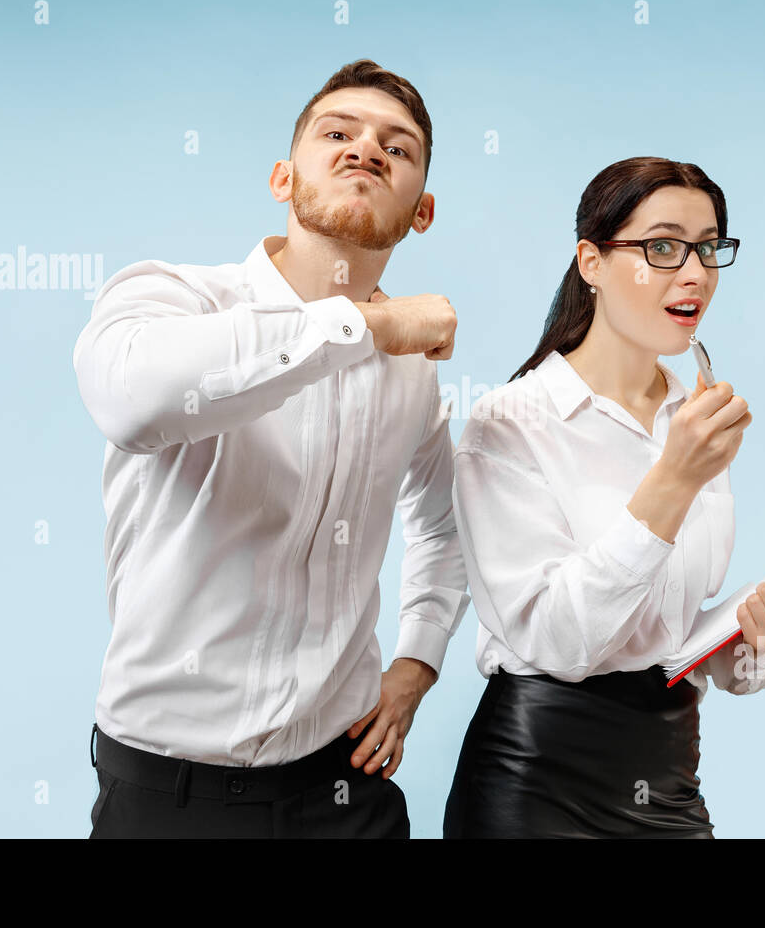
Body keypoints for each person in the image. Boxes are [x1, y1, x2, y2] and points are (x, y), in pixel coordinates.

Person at [73, 59, 470, 838]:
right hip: (168, 800)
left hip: (343, 793)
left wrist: (417, 663)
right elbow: (130, 402)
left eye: (398, 147)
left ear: (421, 211)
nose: (367, 149)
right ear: (282, 178)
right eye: (339, 132)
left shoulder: (413, 377)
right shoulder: (170, 300)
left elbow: (445, 523)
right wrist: (366, 327)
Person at [442, 156, 765, 838]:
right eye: (662, 247)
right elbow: (561, 642)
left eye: (708, 247)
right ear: (591, 261)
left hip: (668, 775)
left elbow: (668, 633)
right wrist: (674, 480)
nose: (694, 274)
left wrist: (761, 640)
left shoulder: (691, 414)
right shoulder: (509, 423)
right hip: (537, 780)